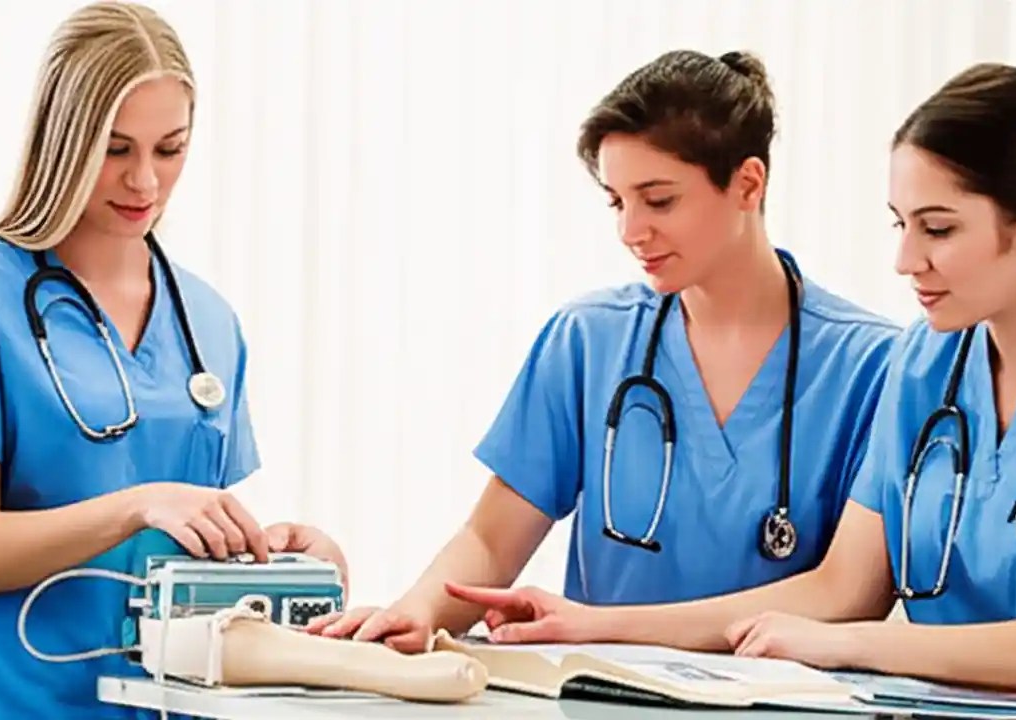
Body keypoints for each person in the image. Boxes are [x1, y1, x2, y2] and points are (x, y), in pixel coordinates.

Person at [443, 62, 1016, 718]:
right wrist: (594, 626)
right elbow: (843, 585)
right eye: (900, 225)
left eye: (939, 228)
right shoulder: (926, 363)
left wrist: (849, 645)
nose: (906, 260)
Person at [307, 49, 900, 650]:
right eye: (618, 201)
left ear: (748, 184)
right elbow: (491, 539)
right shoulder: (590, 340)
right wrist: (420, 610)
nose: (630, 231)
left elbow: (848, 596)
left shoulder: (872, 365)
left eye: (659, 199)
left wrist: (596, 627)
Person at [0, 3, 347, 717]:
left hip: (175, 707)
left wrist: (280, 554)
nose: (145, 184)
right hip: (16, 703)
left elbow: (189, 546)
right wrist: (137, 505)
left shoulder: (207, 320)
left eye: (170, 149)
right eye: (115, 148)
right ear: (60, 140)